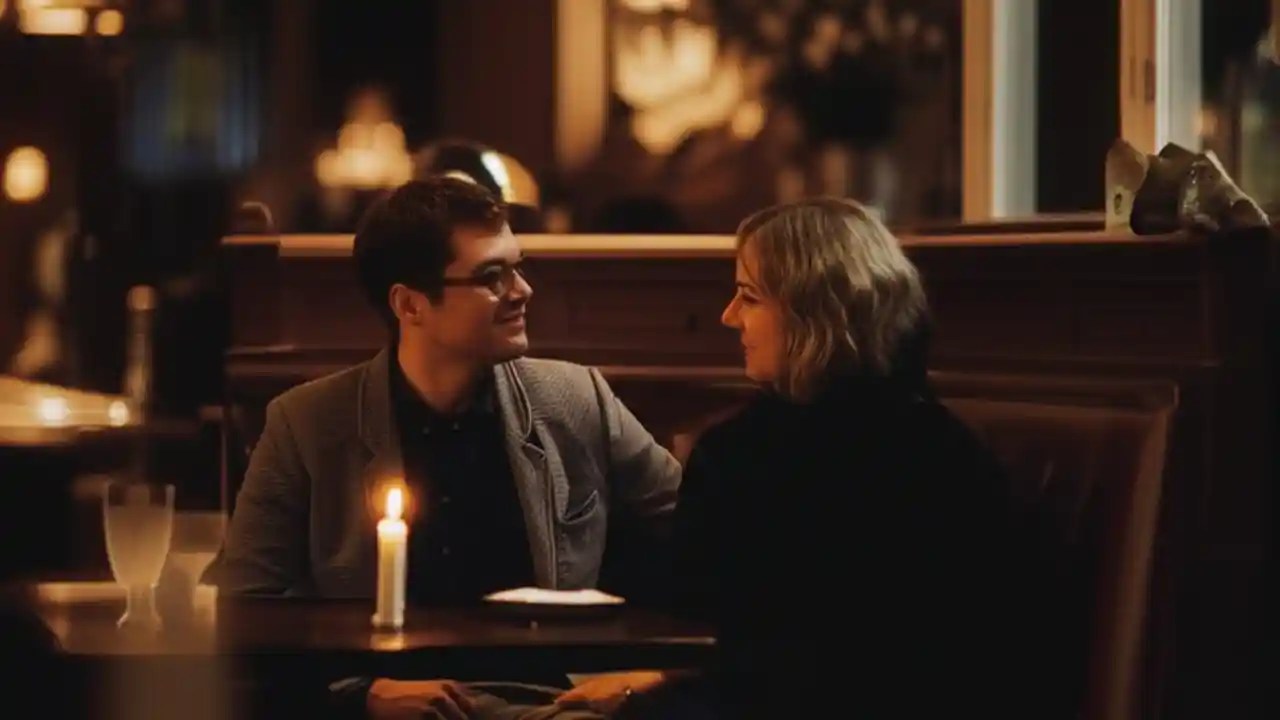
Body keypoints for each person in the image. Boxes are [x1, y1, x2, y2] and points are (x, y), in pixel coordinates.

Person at [586, 198, 1084, 718]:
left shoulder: (764, 456)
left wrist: (655, 682)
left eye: (749, 297)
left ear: (814, 317)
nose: (729, 316)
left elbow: (867, 654)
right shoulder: (942, 446)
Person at [211, 177, 681, 719]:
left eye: (517, 267)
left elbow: (715, 538)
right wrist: (360, 692)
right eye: (491, 276)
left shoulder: (577, 400)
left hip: (557, 706)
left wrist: (652, 676)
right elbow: (243, 611)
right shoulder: (307, 424)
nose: (522, 289)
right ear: (410, 305)